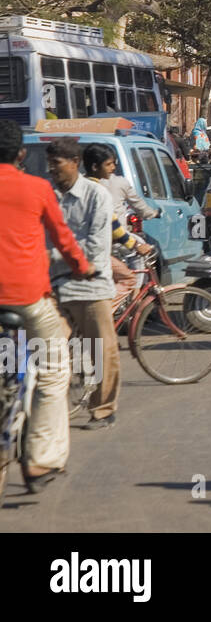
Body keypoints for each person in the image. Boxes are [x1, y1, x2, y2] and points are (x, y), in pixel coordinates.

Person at [0, 120, 95, 491]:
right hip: (29, 298)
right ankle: (41, 459)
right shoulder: (37, 187)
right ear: (22, 154)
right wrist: (82, 268)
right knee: (55, 368)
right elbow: (64, 239)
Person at [45, 137, 121, 430]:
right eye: (49, 164)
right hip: (52, 285)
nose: (52, 170)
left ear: (75, 163)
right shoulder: (46, 195)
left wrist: (48, 255)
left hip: (90, 284)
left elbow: (94, 245)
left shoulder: (96, 195)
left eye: (57, 164)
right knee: (42, 347)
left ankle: (102, 409)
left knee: (101, 349)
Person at [82, 142, 158, 227]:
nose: (113, 167)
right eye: (108, 164)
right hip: (116, 236)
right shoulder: (117, 183)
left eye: (114, 163)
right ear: (95, 167)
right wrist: (153, 213)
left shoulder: (78, 184)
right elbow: (139, 205)